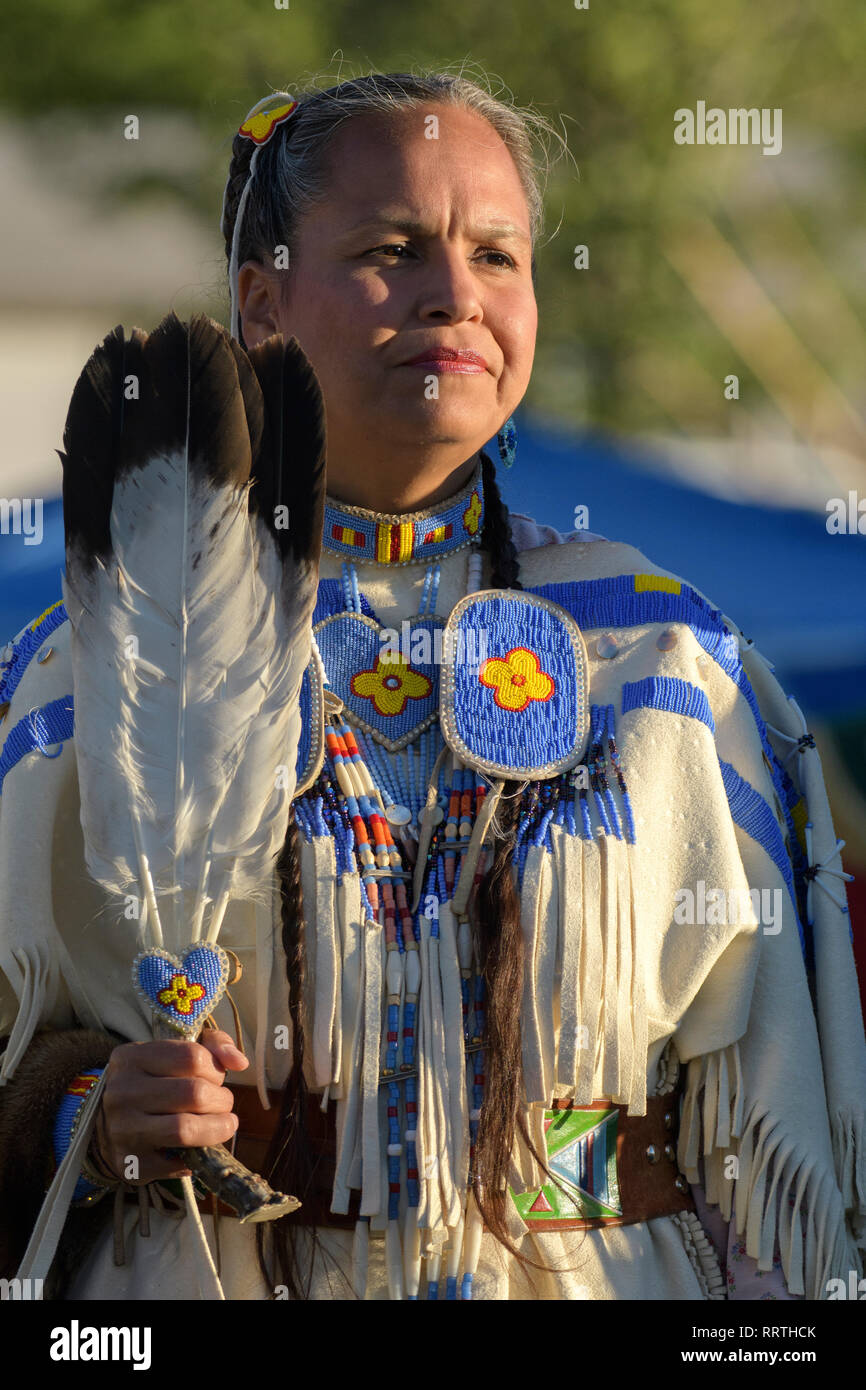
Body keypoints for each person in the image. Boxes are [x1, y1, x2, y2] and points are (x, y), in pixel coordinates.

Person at [1, 70, 864, 1302]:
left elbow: (766, 1129)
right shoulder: (105, 658)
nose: (453, 295)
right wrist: (81, 1112)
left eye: (495, 256)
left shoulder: (666, 657)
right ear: (261, 302)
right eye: (390, 250)